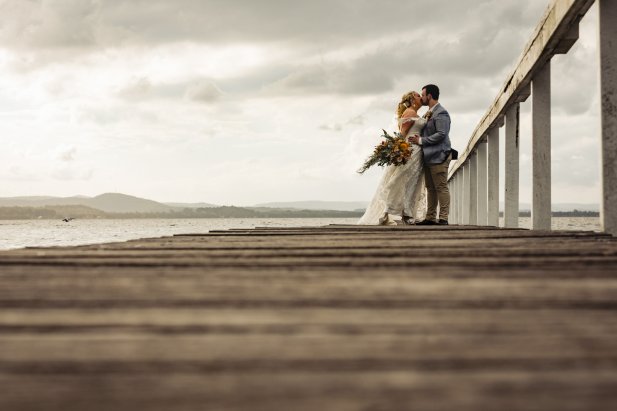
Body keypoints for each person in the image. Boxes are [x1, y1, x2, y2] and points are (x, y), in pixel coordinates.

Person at [358, 91, 427, 225]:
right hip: (410, 151)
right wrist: (397, 150)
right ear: (413, 99)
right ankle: (402, 213)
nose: (420, 97)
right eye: (418, 96)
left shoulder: (415, 113)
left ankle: (402, 212)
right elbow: (403, 133)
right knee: (403, 181)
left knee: (411, 182)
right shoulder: (410, 113)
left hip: (417, 152)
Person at [409, 84, 452, 225]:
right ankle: (430, 217)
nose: (421, 98)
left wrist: (420, 140)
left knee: (441, 187)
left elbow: (441, 134)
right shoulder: (428, 113)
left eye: (423, 95)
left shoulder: (441, 113)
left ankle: (444, 218)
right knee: (431, 188)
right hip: (428, 156)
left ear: (430, 96)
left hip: (439, 155)